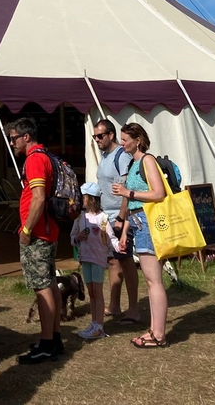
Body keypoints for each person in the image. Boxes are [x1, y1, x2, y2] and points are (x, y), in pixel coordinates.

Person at [7, 117, 63, 364]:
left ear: (26, 137)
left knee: (42, 287)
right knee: (49, 283)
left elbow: (39, 197)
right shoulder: (45, 156)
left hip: (39, 233)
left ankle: (48, 343)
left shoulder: (34, 160)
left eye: (14, 138)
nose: (12, 143)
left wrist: (27, 229)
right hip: (48, 230)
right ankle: (54, 338)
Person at [111, 122, 168, 349]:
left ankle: (159, 335)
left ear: (138, 140)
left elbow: (158, 193)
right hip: (136, 222)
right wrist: (125, 232)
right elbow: (131, 205)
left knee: (154, 280)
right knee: (150, 280)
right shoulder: (133, 163)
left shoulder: (147, 160)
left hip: (148, 222)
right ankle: (154, 331)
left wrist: (127, 191)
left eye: (125, 139)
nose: (122, 143)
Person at [93, 118, 140, 325]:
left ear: (110, 135)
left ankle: (134, 309)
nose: (97, 139)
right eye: (94, 136)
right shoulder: (105, 156)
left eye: (100, 136)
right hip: (108, 216)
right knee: (113, 260)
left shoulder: (120, 157)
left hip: (119, 217)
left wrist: (122, 217)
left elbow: (126, 189)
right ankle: (114, 305)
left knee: (126, 260)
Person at [71, 182, 118, 340]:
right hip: (85, 259)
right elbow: (72, 237)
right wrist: (77, 238)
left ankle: (99, 326)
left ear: (91, 199)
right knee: (91, 292)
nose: (80, 200)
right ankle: (94, 322)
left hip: (98, 259)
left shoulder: (103, 218)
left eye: (83, 197)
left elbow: (111, 238)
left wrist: (119, 246)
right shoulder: (80, 218)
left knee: (97, 292)